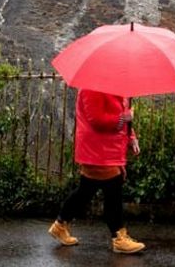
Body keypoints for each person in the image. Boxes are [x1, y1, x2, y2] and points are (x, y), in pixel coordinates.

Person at [48, 89, 145, 254]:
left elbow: (123, 115)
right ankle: (119, 237)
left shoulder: (117, 85)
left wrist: (131, 137)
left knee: (85, 191)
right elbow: (96, 120)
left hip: (108, 149)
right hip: (98, 149)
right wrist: (123, 118)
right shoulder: (91, 87)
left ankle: (60, 224)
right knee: (113, 190)